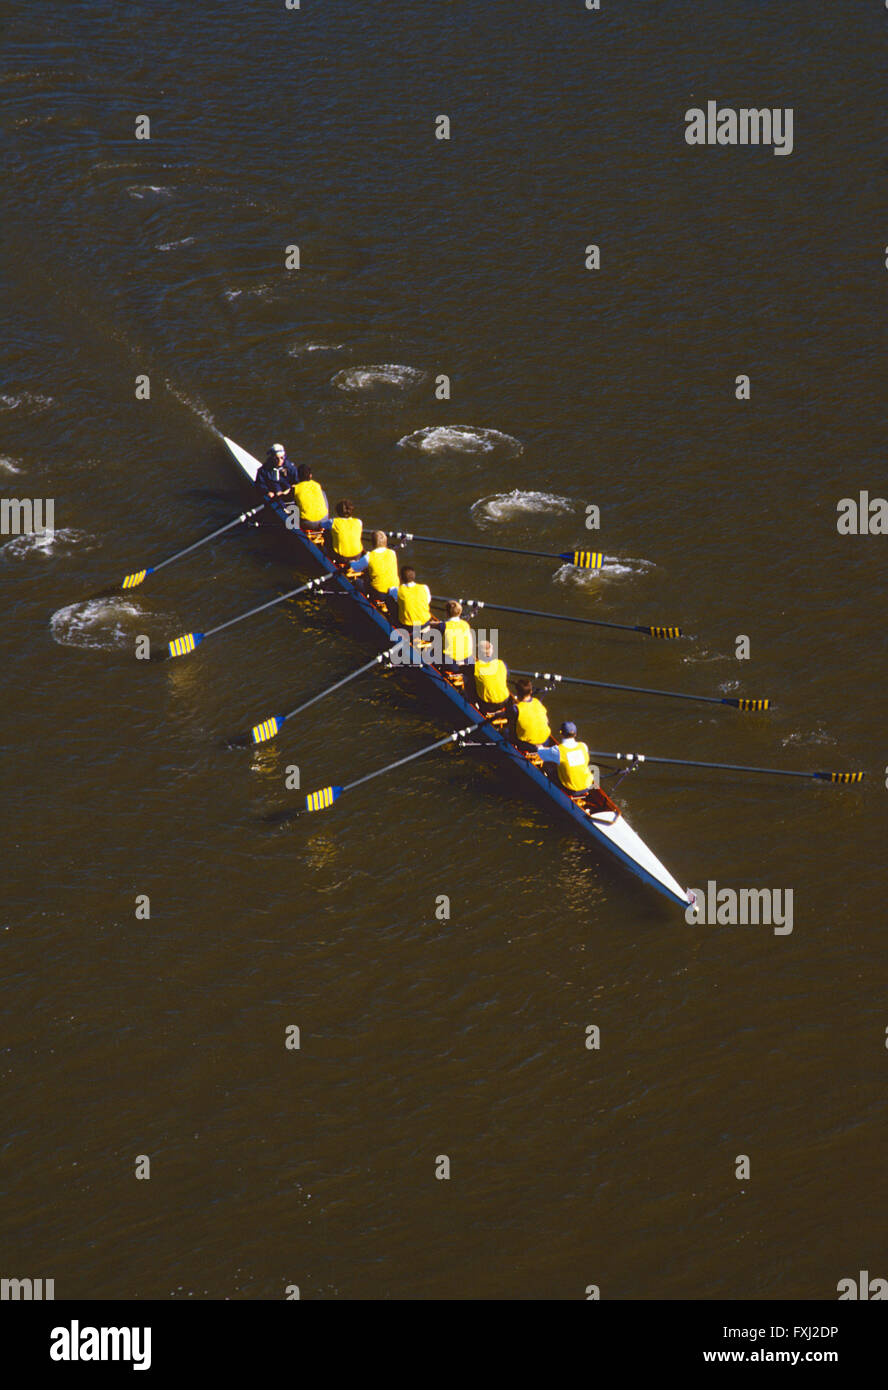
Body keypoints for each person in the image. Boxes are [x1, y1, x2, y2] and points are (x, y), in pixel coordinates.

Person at [538, 720, 595, 794]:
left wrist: (539, 747)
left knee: (547, 764)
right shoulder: (583, 746)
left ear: (561, 733)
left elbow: (540, 753)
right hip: (588, 786)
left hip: (570, 789)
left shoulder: (558, 750)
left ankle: (548, 785)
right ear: (575, 734)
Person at [510, 676, 552, 752]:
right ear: (531, 691)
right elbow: (547, 721)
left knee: (505, 732)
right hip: (546, 741)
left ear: (518, 693)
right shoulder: (538, 702)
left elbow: (511, 728)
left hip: (529, 746)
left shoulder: (516, 708)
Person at [472, 639, 510, 716]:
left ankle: (471, 703)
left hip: (488, 705)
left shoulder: (476, 667)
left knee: (469, 680)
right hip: (505, 701)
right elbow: (507, 676)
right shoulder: (501, 663)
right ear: (492, 652)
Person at [329, 498, 367, 571]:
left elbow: (321, 525)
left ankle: (326, 554)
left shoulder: (333, 522)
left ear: (338, 512)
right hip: (357, 556)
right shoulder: (359, 522)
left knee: (326, 532)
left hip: (341, 558)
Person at [291, 464, 330, 533]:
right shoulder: (317, 485)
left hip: (308, 524)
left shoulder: (296, 488)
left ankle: (294, 531)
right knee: (322, 493)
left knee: (292, 507)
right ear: (310, 476)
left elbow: (285, 498)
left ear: (298, 476)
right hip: (324, 520)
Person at [365, 531, 400, 606]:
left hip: (379, 594)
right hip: (394, 591)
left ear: (372, 543)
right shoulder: (392, 553)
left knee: (358, 582)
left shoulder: (369, 556)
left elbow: (354, 567)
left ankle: (374, 601)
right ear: (385, 542)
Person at [441, 600, 473, 666]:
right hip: (468, 660)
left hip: (452, 663)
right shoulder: (465, 624)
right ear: (460, 612)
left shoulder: (443, 626)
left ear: (446, 613)